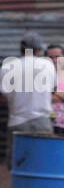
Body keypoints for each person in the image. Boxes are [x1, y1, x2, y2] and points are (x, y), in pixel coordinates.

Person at [0, 32, 56, 167]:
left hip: (17, 122)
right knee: (43, 164)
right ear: (38, 49)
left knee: (18, 165)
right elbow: (53, 90)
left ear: (21, 49)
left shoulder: (8, 66)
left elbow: (3, 96)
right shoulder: (47, 65)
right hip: (42, 122)